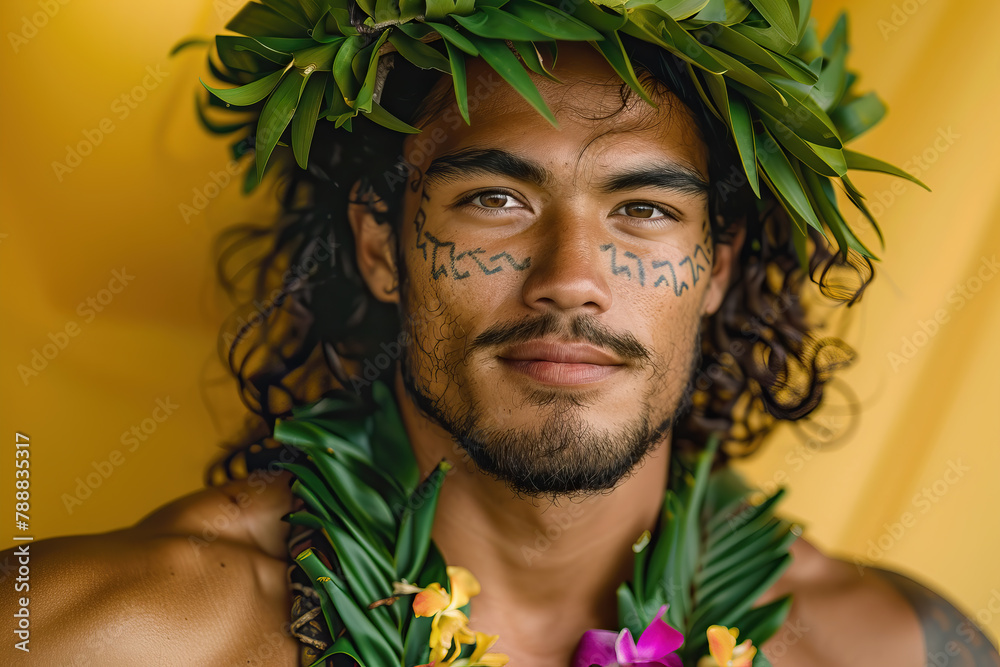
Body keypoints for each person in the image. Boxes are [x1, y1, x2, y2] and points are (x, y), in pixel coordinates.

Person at [3, 2, 998, 665]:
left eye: (643, 210)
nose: (570, 278)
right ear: (381, 245)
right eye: (495, 199)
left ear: (718, 265)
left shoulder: (886, 647)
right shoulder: (102, 631)